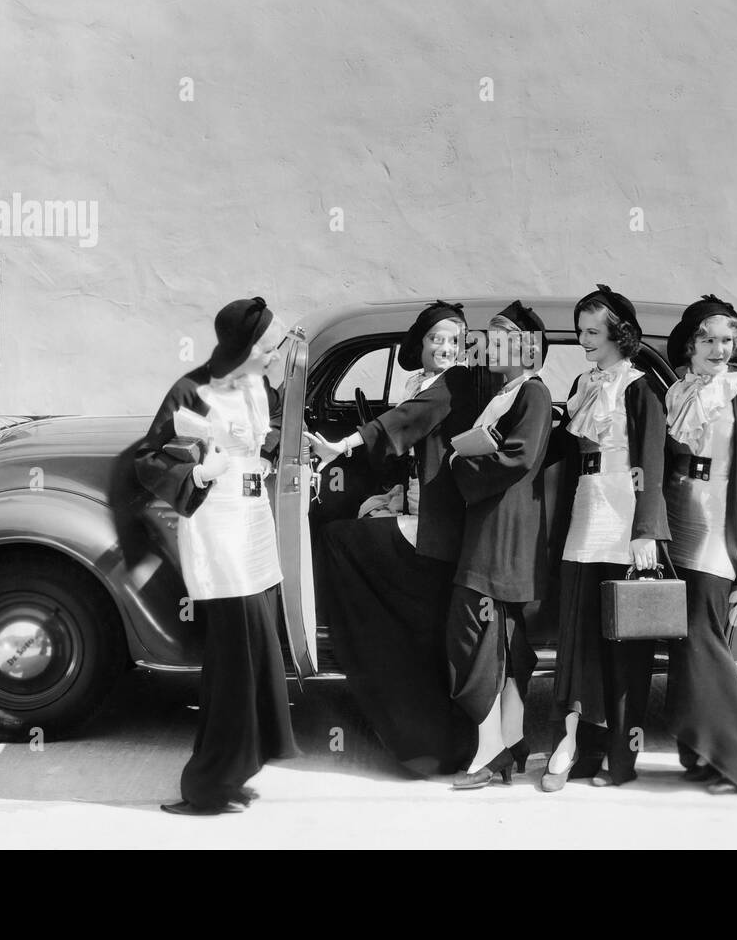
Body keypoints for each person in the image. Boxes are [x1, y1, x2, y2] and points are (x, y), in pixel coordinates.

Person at [135, 296, 300, 816]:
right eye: (269, 346)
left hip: (254, 524)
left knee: (254, 654)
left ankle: (235, 769)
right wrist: (197, 475)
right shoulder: (193, 389)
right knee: (234, 657)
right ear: (246, 347)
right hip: (217, 525)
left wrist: (280, 448)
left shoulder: (257, 386)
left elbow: (259, 436)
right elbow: (148, 457)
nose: (275, 354)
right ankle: (208, 785)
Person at [307, 300, 478, 775]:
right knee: (354, 537)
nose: (445, 347)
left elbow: (401, 424)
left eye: (454, 339)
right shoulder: (425, 385)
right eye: (436, 339)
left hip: (442, 529)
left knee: (338, 542)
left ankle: (363, 650)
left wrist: (339, 445)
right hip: (423, 511)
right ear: (420, 344)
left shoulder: (455, 382)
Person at [543, 285, 669, 791]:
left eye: (592, 332)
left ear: (619, 334)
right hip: (585, 513)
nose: (583, 340)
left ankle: (622, 758)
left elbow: (653, 465)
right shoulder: (582, 382)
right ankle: (577, 748)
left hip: (626, 519)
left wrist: (646, 531)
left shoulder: (640, 389)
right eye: (579, 332)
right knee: (579, 641)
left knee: (625, 649)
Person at [662, 294, 737, 794]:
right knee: (683, 644)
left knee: (705, 640)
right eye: (709, 339)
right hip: (675, 519)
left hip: (718, 522)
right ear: (691, 342)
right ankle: (700, 756)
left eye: (728, 340)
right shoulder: (676, 391)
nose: (719, 349)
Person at [445, 302, 552, 789]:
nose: (492, 344)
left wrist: (459, 467)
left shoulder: (533, 393)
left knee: (482, 640)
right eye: (491, 336)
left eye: (504, 336)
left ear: (530, 348)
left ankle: (495, 753)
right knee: (496, 642)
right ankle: (507, 747)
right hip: (490, 524)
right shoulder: (508, 393)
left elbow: (518, 457)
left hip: (504, 530)